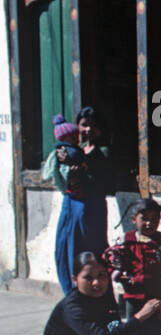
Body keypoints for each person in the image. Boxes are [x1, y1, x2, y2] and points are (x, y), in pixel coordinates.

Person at [103, 197, 161, 335]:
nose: (149, 223)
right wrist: (120, 276)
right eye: (144, 218)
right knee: (133, 332)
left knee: (159, 333)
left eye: (154, 219)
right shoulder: (126, 241)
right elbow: (112, 262)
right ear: (133, 220)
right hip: (133, 298)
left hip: (156, 298)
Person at [44, 107, 112, 294]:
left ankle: (98, 295)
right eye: (84, 125)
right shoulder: (74, 149)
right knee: (67, 248)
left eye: (93, 126)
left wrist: (76, 166)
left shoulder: (102, 151)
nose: (88, 130)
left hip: (91, 205)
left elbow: (95, 182)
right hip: (72, 204)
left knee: (92, 249)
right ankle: (74, 292)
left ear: (100, 129)